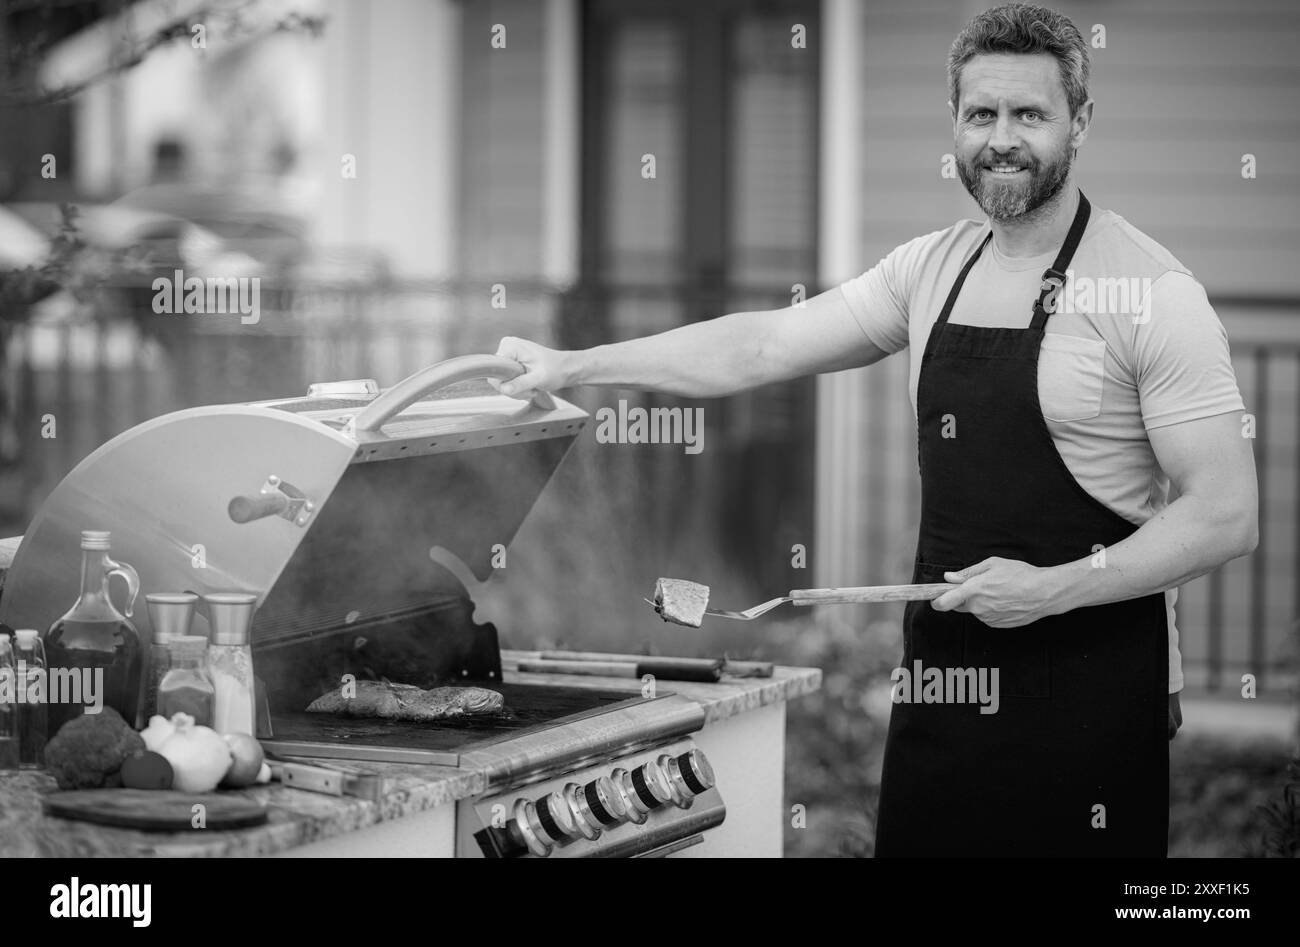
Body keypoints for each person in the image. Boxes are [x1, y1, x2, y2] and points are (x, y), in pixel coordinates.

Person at [494, 2, 1257, 856]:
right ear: (956, 126)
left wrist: (1050, 589)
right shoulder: (930, 269)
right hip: (942, 686)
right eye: (981, 114)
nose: (1001, 138)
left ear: (1079, 121)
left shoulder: (1153, 293)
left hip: (1088, 695)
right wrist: (574, 366)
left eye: (1029, 114)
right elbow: (760, 344)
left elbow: (1224, 512)